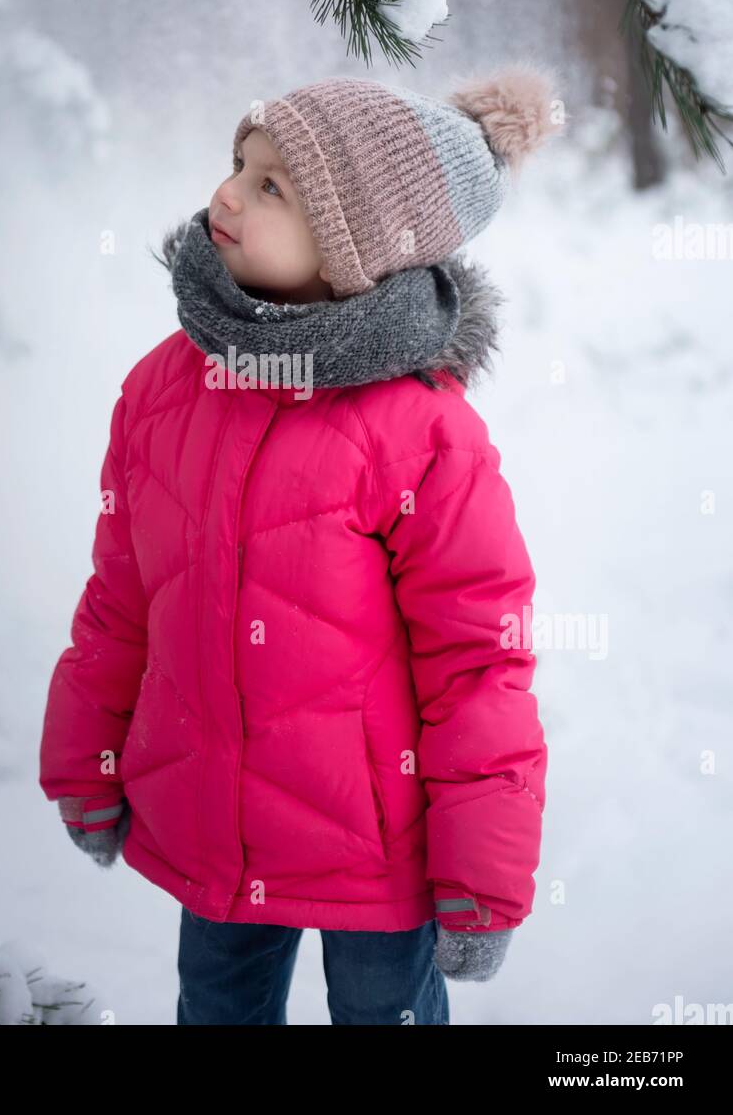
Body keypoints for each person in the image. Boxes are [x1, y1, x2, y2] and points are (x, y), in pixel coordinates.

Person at [39, 68, 559, 1025]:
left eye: (272, 185)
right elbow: (122, 597)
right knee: (218, 1009)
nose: (228, 193)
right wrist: (88, 758)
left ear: (353, 248)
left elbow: (478, 659)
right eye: (239, 163)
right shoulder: (164, 390)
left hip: (379, 852)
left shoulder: (420, 433)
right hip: (214, 826)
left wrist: (480, 874)